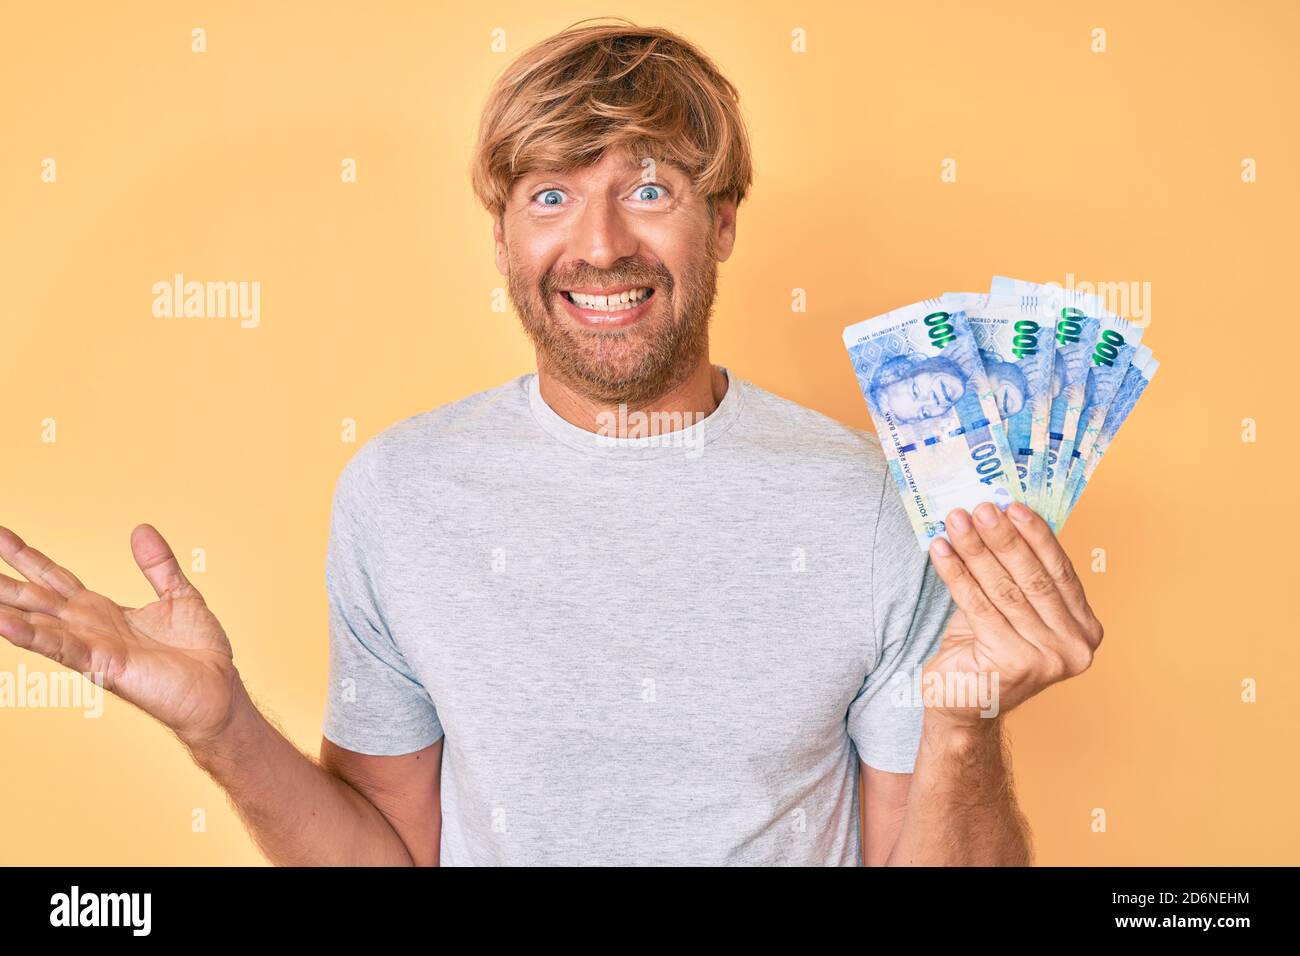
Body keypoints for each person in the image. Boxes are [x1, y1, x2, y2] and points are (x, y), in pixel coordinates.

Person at [0, 18, 1104, 866]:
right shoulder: (399, 490)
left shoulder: (872, 499)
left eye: (650, 188)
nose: (600, 245)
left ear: (721, 222)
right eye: (550, 196)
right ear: (502, 240)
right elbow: (393, 849)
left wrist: (965, 718)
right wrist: (221, 722)